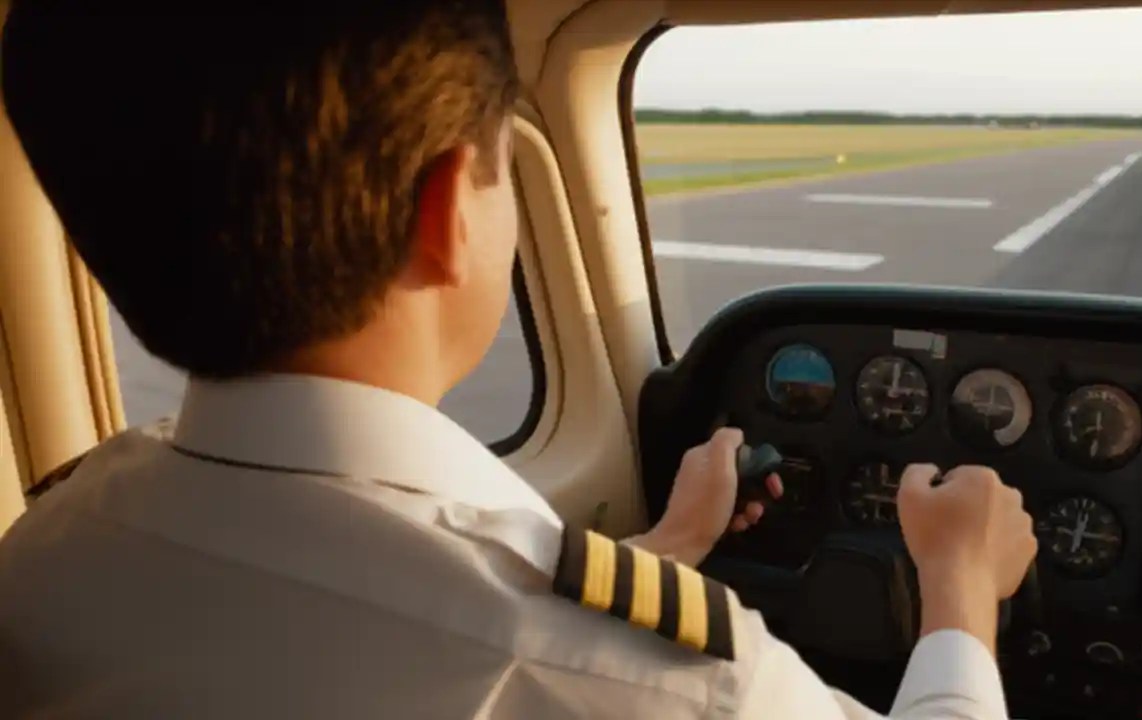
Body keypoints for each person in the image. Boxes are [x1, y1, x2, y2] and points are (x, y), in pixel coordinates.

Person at [0, 3, 1037, 718]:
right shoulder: (684, 685)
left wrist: (666, 544)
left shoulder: (48, 549)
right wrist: (959, 586)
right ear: (448, 210)